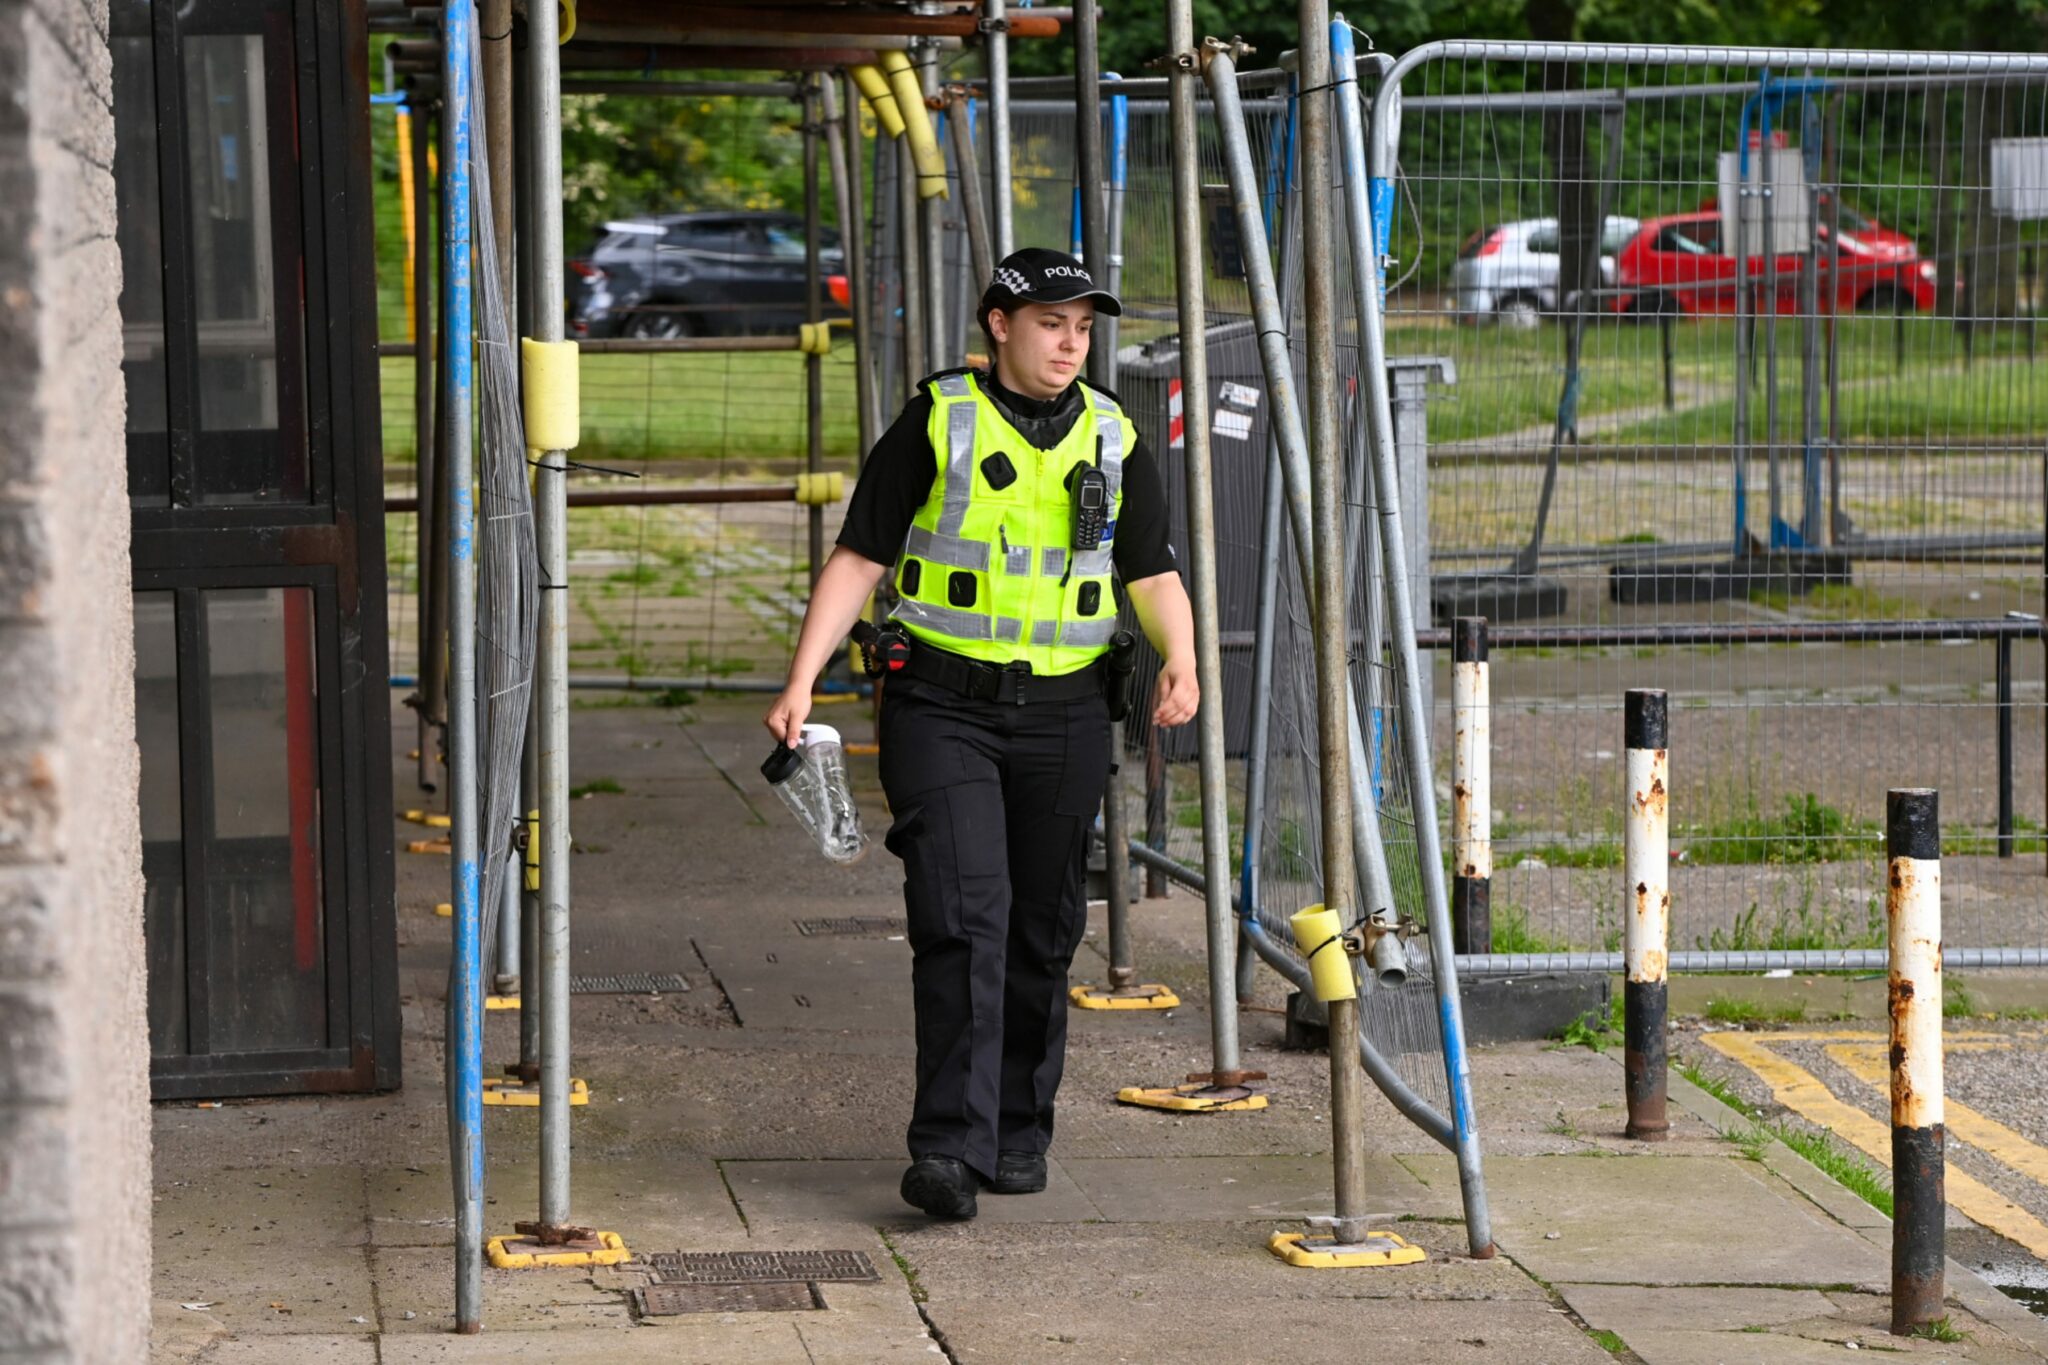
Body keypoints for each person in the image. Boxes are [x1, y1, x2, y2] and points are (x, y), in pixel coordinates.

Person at [765, 248, 1200, 1220]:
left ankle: (1014, 1130)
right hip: (941, 707)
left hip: (1067, 713)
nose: (1069, 344)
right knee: (962, 921)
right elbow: (860, 555)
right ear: (998, 325)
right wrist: (801, 680)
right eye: (1051, 323)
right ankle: (947, 1152)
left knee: (1041, 932)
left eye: (1082, 328)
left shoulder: (1113, 434)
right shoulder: (937, 420)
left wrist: (1181, 654)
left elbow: (1149, 568)